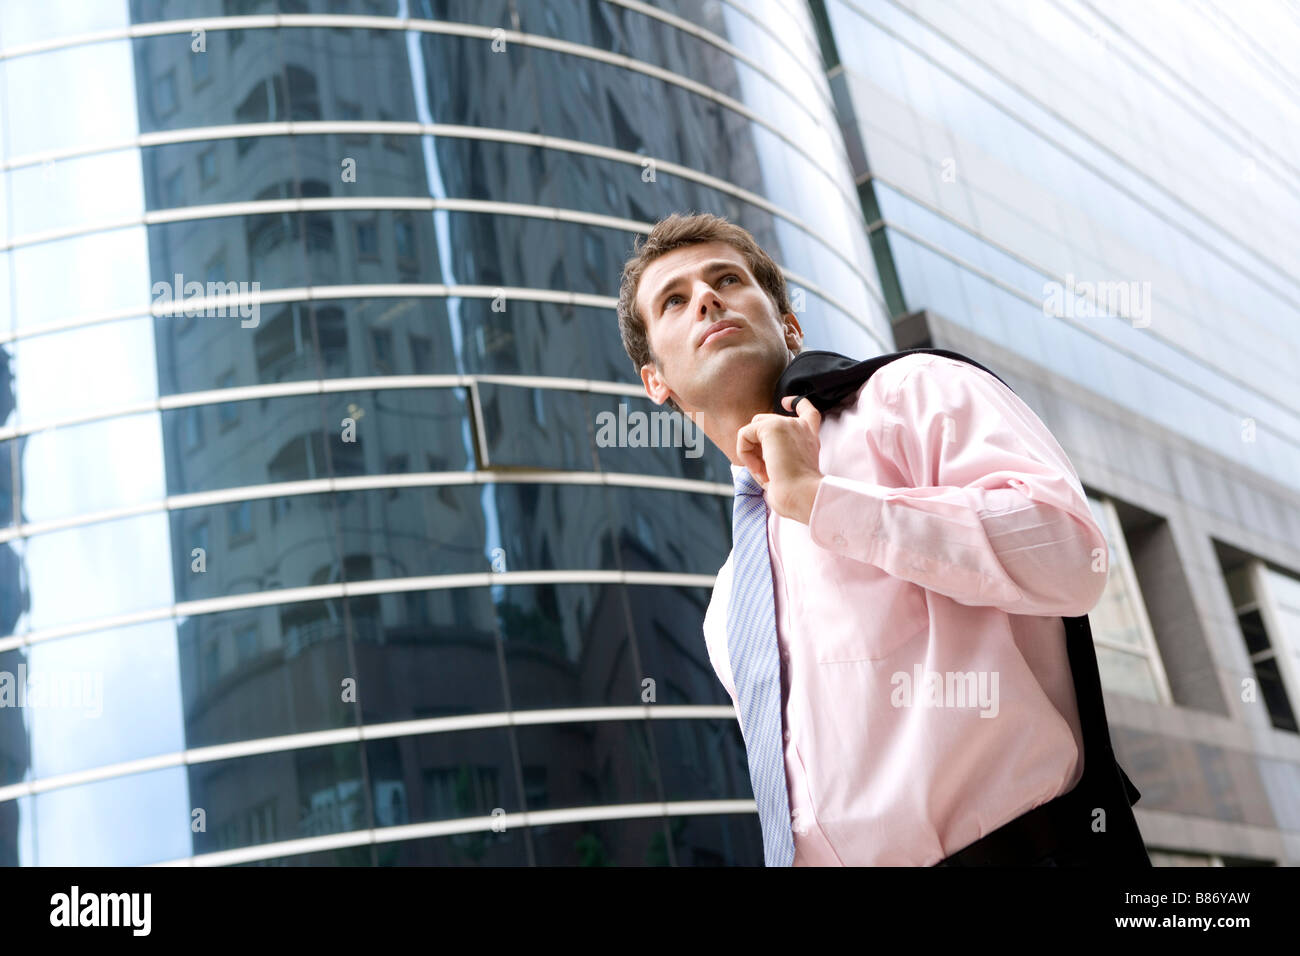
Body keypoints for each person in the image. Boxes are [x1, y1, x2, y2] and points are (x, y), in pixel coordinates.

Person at [616, 211, 1150, 866]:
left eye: (726, 278)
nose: (705, 297)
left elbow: (1072, 557)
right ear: (655, 383)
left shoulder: (910, 393)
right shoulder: (728, 605)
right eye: (674, 300)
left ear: (789, 324)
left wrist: (822, 501)